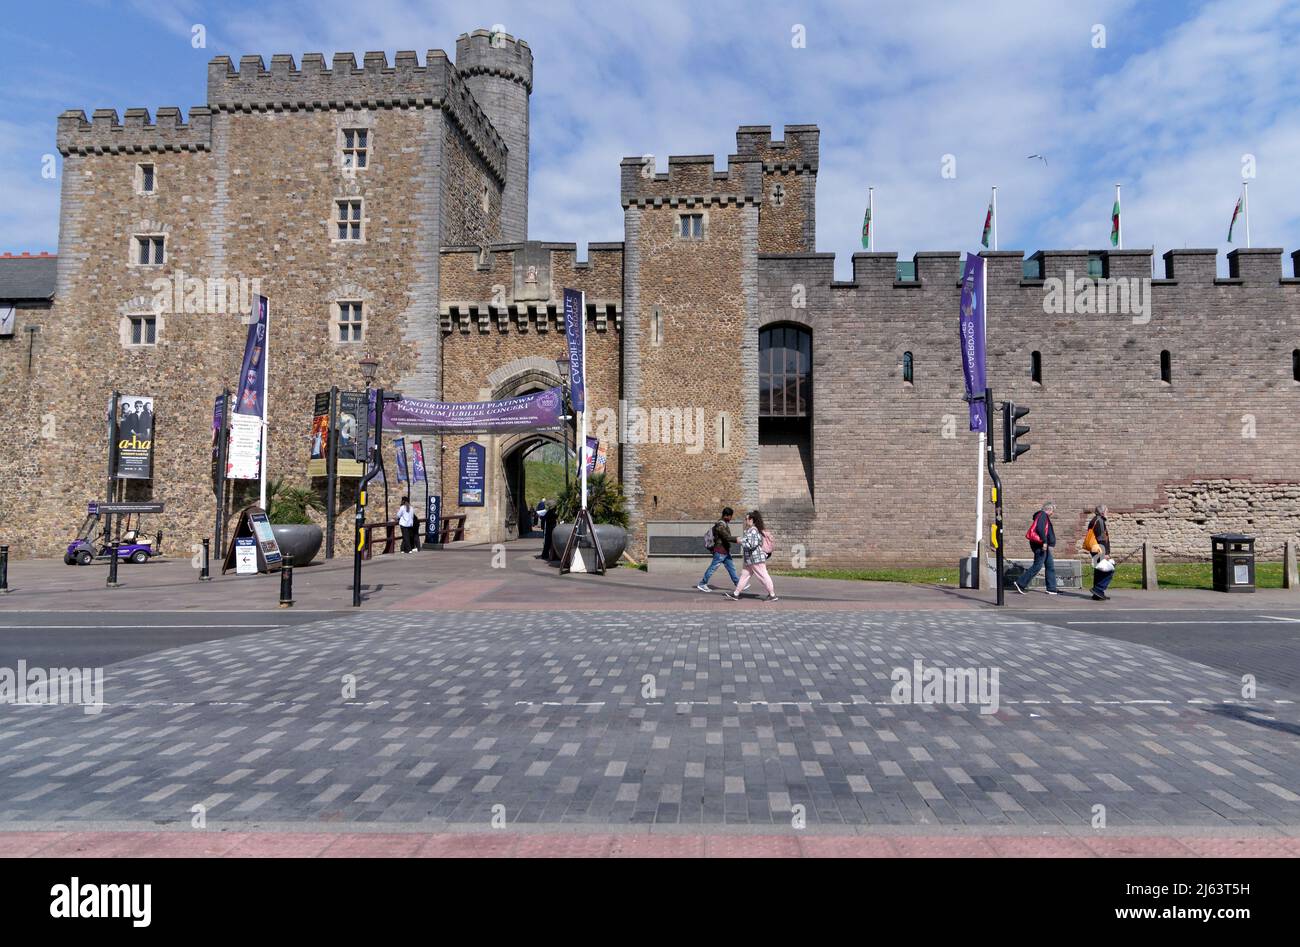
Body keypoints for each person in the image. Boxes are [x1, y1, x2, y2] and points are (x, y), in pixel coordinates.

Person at [727, 511, 778, 602]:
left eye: (746, 519)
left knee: (763, 576)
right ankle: (736, 594)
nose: (745, 521)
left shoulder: (753, 530)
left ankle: (772, 595)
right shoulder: (751, 530)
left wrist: (741, 541)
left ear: (751, 520)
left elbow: (752, 545)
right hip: (750, 559)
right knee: (744, 576)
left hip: (755, 559)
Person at [1014, 501, 1058, 595]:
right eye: (1053, 511)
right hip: (1040, 544)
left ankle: (1051, 588)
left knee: (1050, 566)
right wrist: (1045, 542)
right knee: (1037, 565)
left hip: (1044, 545)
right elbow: (1040, 528)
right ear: (1049, 509)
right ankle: (1020, 583)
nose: (1053, 513)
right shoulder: (1042, 515)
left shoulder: (1043, 516)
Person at [696, 507, 739, 592]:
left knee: (731, 568)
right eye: (730, 516)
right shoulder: (720, 525)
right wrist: (737, 539)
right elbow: (726, 537)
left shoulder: (724, 523)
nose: (731, 518)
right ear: (726, 515)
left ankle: (738, 584)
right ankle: (702, 583)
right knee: (713, 568)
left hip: (725, 551)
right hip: (720, 550)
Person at [1086, 504, 1113, 601]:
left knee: (1099, 571)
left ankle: (1098, 594)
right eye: (1107, 511)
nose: (1108, 513)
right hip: (1099, 549)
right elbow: (1102, 538)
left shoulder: (1095, 520)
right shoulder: (1100, 521)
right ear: (1102, 512)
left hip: (1095, 548)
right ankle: (1098, 589)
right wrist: (1105, 553)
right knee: (1109, 570)